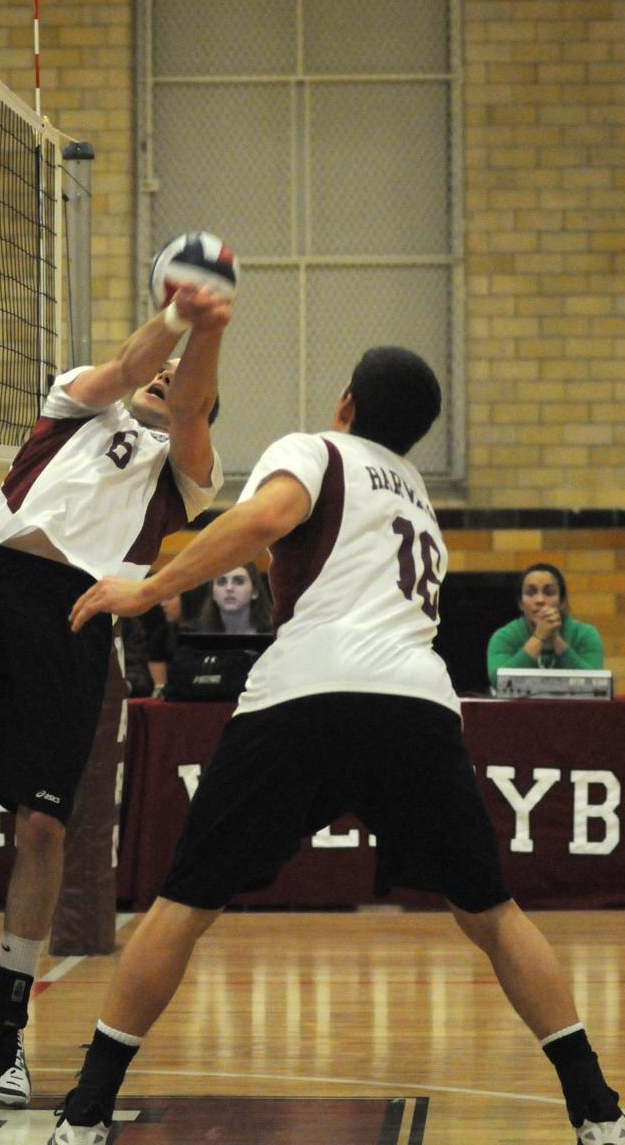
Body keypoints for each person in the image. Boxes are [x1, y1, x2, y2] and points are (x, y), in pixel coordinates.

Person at [52, 345, 622, 1145]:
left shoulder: (313, 449)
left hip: (307, 692)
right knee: (493, 914)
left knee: (182, 905)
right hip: (417, 707)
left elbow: (263, 520)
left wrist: (149, 588)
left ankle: (86, 1111)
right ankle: (598, 1110)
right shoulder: (417, 494)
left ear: (346, 403)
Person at [0, 280, 231, 1105]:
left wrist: (209, 331)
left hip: (72, 619)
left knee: (43, 825)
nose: (162, 378)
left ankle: (4, 1018)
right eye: (159, 372)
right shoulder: (76, 405)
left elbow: (193, 408)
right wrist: (177, 317)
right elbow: (126, 365)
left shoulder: (186, 475)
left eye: (178, 381)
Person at [487, 563, 604, 690]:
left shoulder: (586, 634)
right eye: (531, 593)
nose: (540, 600)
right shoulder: (503, 637)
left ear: (562, 602)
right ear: (520, 603)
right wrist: (539, 637)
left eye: (549, 592)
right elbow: (499, 682)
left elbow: (594, 685)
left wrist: (556, 639)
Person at [193, 560, 272, 634]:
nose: (229, 588)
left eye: (239, 581)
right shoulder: (193, 634)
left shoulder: (275, 636)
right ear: (213, 594)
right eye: (221, 582)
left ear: (254, 592)